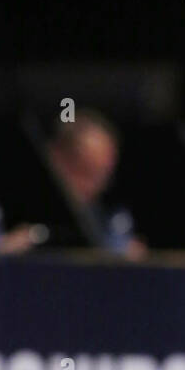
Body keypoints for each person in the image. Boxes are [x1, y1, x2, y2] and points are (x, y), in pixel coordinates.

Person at [46, 109, 148, 259]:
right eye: (85, 172)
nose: (98, 187)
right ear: (56, 158)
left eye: (103, 175)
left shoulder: (104, 216)